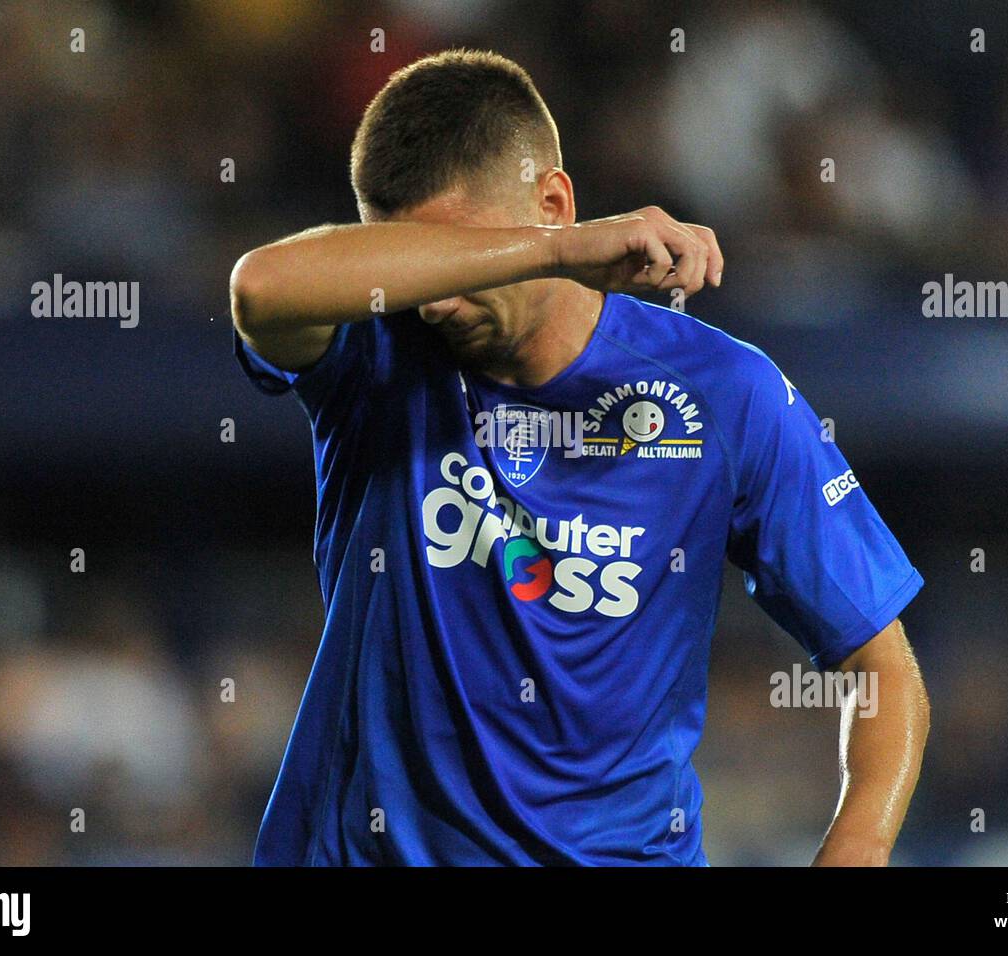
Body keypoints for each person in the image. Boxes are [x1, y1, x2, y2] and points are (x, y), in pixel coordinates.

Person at [230, 49, 928, 866]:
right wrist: (550, 253)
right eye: (417, 262)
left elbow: (881, 665)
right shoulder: (372, 351)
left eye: (462, 252)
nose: (438, 300)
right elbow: (260, 287)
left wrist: (858, 846)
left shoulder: (720, 392)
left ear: (553, 202)